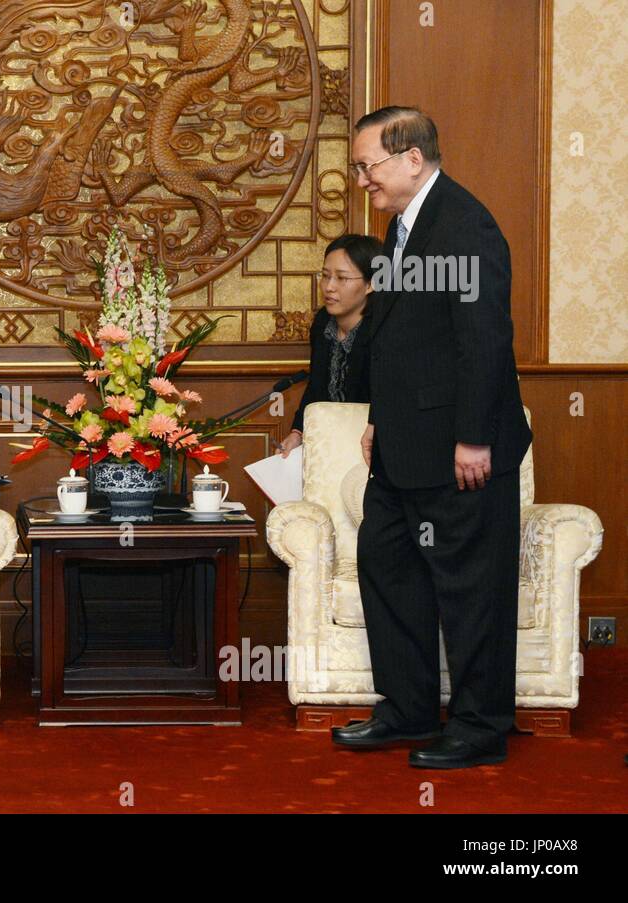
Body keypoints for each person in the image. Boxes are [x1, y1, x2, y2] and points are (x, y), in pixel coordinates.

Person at [331, 107, 532, 769]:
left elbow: (484, 343)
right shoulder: (403, 226)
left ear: (412, 157)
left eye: (370, 165)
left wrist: (474, 438)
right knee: (387, 566)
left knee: (471, 589)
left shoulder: (465, 225)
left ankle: (478, 727)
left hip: (459, 451)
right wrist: (379, 418)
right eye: (360, 167)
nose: (362, 178)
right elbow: (404, 337)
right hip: (402, 448)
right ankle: (408, 708)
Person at [278, 234, 381, 458]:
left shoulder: (384, 330)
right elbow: (316, 386)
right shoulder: (323, 323)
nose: (329, 287)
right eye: (325, 276)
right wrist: (298, 432)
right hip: (330, 445)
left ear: (371, 284)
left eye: (342, 278)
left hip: (373, 446)